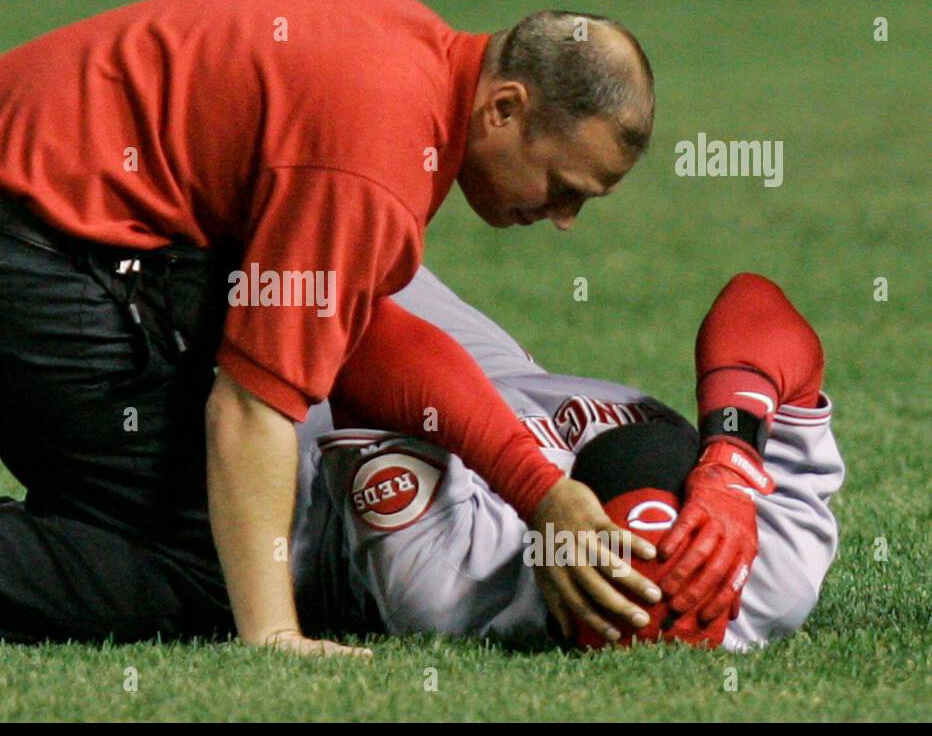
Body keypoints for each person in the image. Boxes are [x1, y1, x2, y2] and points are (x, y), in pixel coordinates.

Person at [0, 0, 659, 652]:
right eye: (565, 186)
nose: (566, 218)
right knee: (216, 563)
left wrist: (543, 492)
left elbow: (366, 337)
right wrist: (274, 638)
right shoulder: (377, 154)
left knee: (177, 517)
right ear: (504, 107)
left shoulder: (411, 55)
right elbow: (249, 406)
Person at [292, 270, 840, 651]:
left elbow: (360, 339)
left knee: (293, 273)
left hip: (334, 439)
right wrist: (731, 462)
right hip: (491, 365)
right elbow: (755, 301)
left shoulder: (456, 585)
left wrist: (535, 492)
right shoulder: (771, 578)